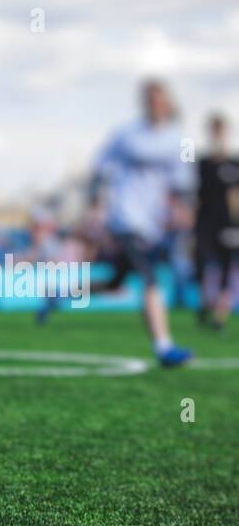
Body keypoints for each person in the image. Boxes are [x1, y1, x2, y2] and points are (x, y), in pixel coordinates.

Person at [77, 79, 194, 366]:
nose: (156, 105)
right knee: (150, 277)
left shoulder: (179, 139)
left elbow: (183, 181)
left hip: (153, 224)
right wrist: (95, 203)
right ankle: (164, 346)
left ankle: (59, 294)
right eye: (150, 100)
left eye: (160, 100)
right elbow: (100, 166)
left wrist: (181, 209)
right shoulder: (126, 135)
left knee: (116, 282)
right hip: (124, 217)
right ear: (145, 103)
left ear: (167, 103)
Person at [196, 112, 239, 331]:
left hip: (228, 225)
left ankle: (219, 317)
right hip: (203, 224)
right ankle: (205, 303)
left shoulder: (234, 163)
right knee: (203, 266)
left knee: (227, 269)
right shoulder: (201, 163)